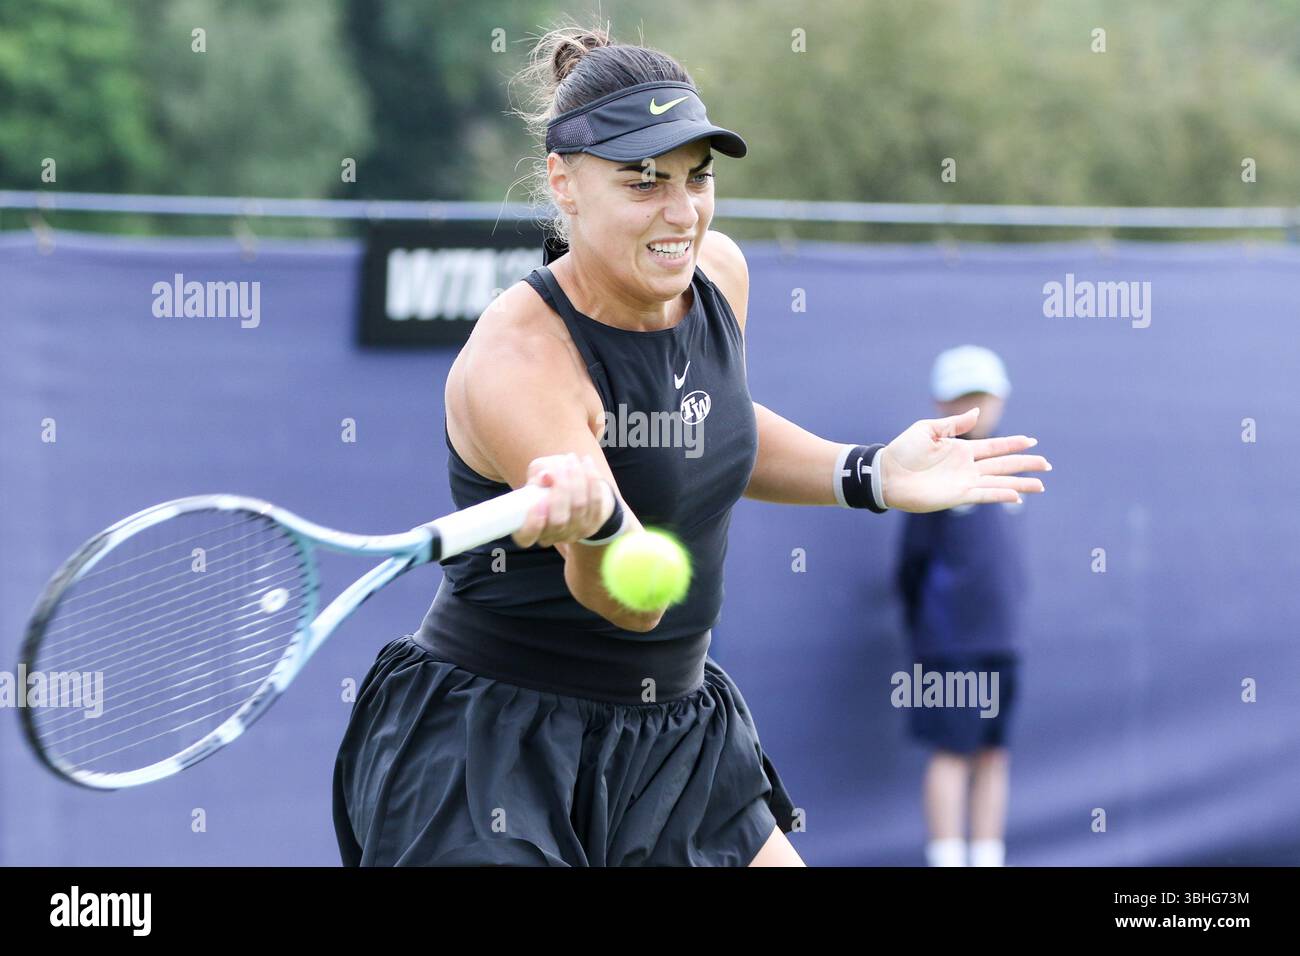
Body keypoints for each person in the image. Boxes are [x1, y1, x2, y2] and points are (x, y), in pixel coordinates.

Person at [332, 24, 1050, 867]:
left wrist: (872, 473)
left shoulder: (717, 275)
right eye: (644, 183)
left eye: (696, 178)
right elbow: (627, 603)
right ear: (564, 184)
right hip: (493, 753)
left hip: (673, 738)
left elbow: (717, 425)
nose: (682, 211)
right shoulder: (519, 362)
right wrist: (601, 526)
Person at [896, 345, 1029, 867]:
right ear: (940, 402)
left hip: (1003, 640)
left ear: (1000, 399)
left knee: (993, 752)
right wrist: (927, 628)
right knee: (952, 752)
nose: (974, 407)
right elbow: (910, 564)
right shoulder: (927, 473)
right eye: (961, 397)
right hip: (948, 644)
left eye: (982, 395)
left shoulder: (1010, 465)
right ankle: (948, 858)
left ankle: (988, 856)